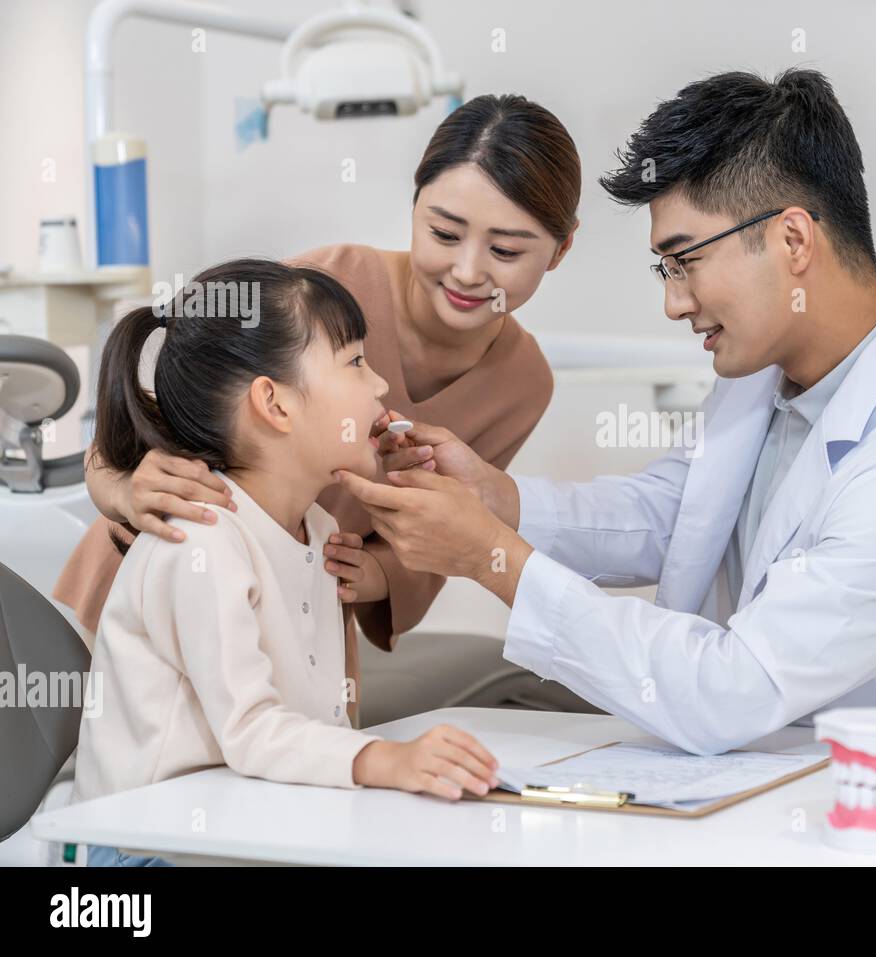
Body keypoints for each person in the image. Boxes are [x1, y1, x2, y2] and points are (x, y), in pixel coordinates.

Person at [337, 68, 876, 755]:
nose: (675, 303)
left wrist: (491, 557)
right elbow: (673, 512)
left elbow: (732, 689)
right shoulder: (768, 374)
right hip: (746, 778)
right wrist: (497, 499)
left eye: (684, 261)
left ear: (794, 241)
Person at [53, 94, 580, 722]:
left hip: (298, 612)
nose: (468, 271)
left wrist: (373, 574)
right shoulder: (320, 292)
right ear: (413, 206)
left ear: (560, 250)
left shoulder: (523, 384)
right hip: (158, 581)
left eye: (506, 251)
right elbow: (124, 431)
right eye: (444, 233)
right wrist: (123, 489)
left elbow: (441, 542)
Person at [75, 259, 499, 867]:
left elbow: (317, 717)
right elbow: (252, 731)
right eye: (354, 362)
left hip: (249, 826)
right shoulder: (202, 541)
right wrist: (385, 760)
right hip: (148, 851)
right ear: (274, 404)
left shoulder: (318, 529)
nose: (379, 386)